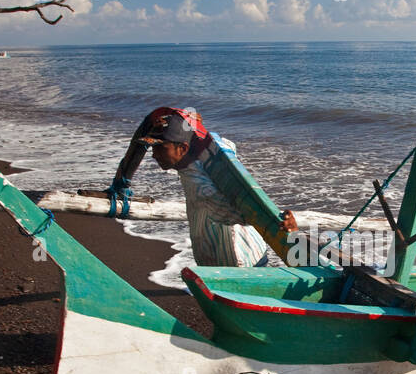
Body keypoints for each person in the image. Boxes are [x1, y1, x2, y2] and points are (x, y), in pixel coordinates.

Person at [111, 107, 296, 267]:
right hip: (233, 259)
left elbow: (241, 216)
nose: (154, 155)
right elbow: (225, 144)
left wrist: (278, 223)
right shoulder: (202, 157)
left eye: (160, 148)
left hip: (238, 263)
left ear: (182, 148)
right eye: (153, 148)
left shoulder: (201, 186)